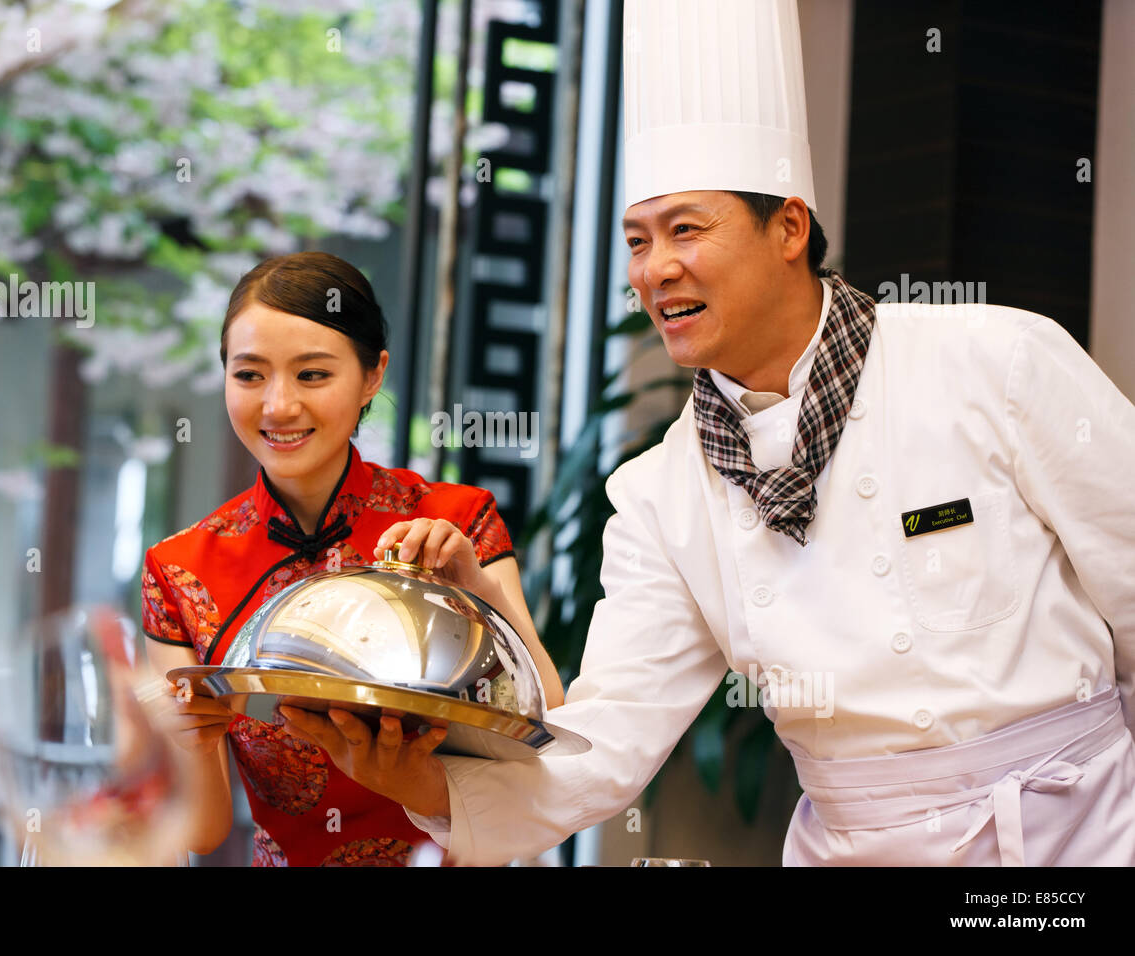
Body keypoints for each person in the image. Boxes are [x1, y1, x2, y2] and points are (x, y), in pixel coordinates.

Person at [287, 0, 1135, 866]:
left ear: (789, 229)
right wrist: (417, 782)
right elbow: (609, 739)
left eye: (685, 229)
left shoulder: (995, 360)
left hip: (1078, 843)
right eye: (636, 241)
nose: (655, 270)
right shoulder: (662, 495)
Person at [140, 250, 562, 866]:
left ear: (372, 376)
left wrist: (477, 586)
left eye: (312, 375)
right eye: (250, 375)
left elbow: (545, 723)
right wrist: (193, 742)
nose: (278, 406)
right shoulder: (180, 569)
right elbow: (202, 832)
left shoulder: (450, 521)